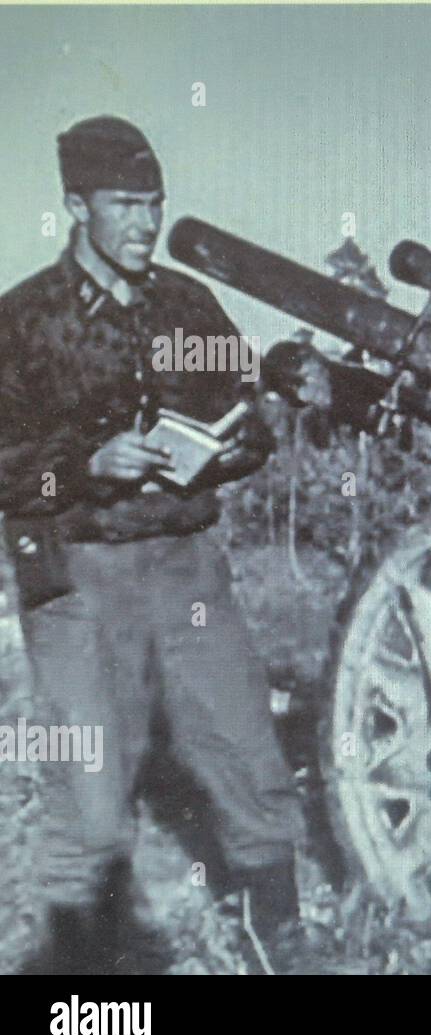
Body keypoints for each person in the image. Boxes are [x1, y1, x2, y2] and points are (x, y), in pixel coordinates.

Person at [0, 116, 306, 973]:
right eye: (126, 205)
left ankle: (283, 947)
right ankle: (79, 979)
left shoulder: (186, 305)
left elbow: (250, 424)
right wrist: (85, 465)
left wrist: (227, 444)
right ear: (75, 205)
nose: (145, 223)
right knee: (91, 803)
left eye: (155, 204)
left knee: (250, 758)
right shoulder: (21, 322)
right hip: (75, 574)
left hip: (186, 566)